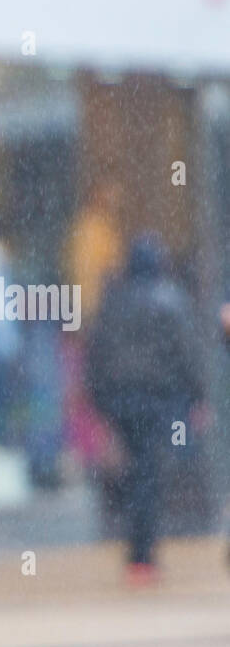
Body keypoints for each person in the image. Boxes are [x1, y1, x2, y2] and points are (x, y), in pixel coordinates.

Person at [85, 234, 206, 584]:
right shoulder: (171, 300)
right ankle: (142, 555)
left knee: (136, 472)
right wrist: (196, 397)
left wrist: (100, 402)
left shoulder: (114, 303)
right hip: (157, 402)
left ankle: (137, 549)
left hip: (122, 403)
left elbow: (97, 355)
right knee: (148, 473)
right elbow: (187, 353)